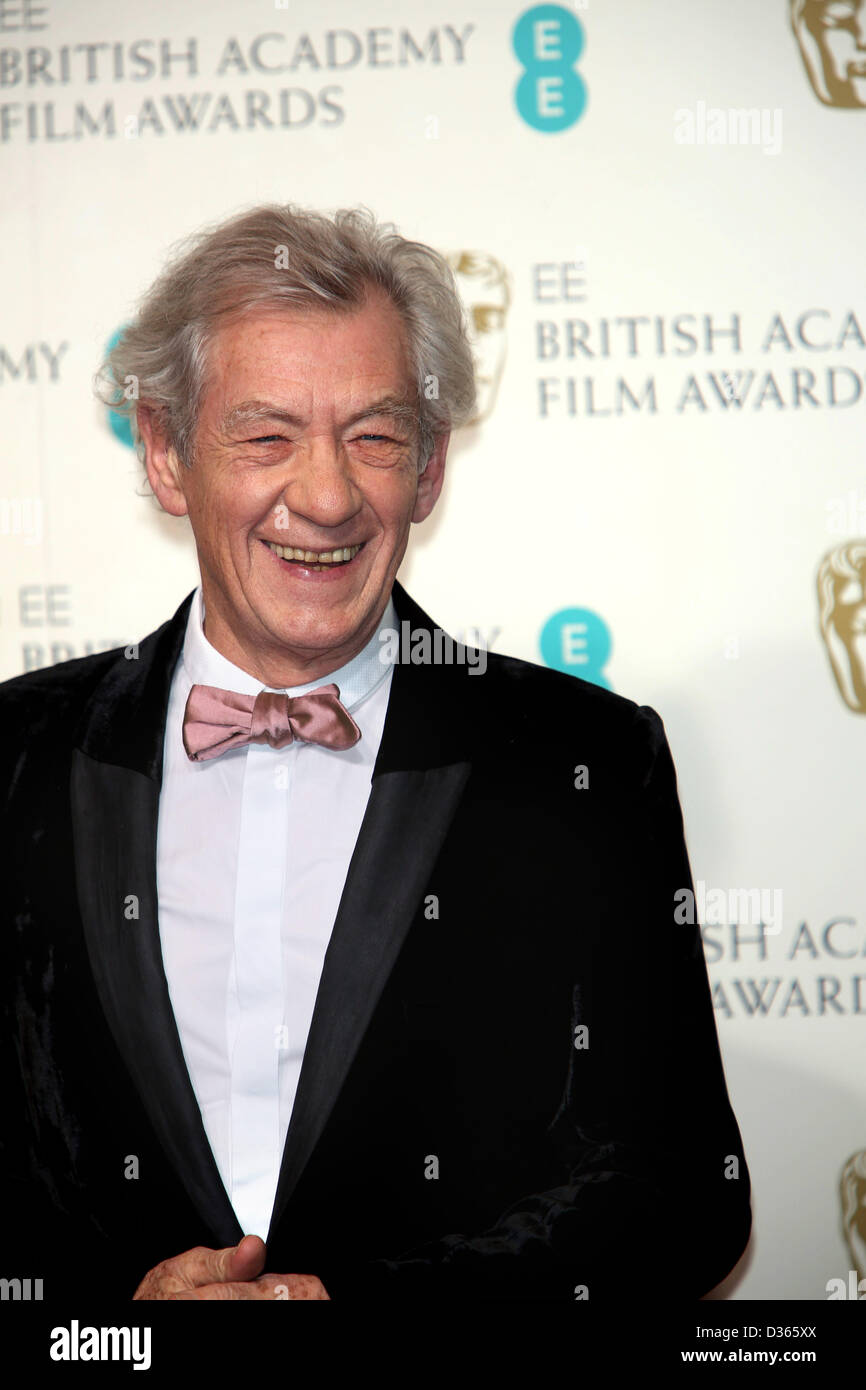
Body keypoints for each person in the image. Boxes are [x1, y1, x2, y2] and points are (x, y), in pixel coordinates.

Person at [0, 203, 751, 1301]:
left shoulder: (581, 762)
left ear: (431, 466)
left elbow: (681, 1192)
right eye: (266, 435)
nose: (326, 494)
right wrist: (116, 1328)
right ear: (166, 454)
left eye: (375, 436)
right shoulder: (16, 757)